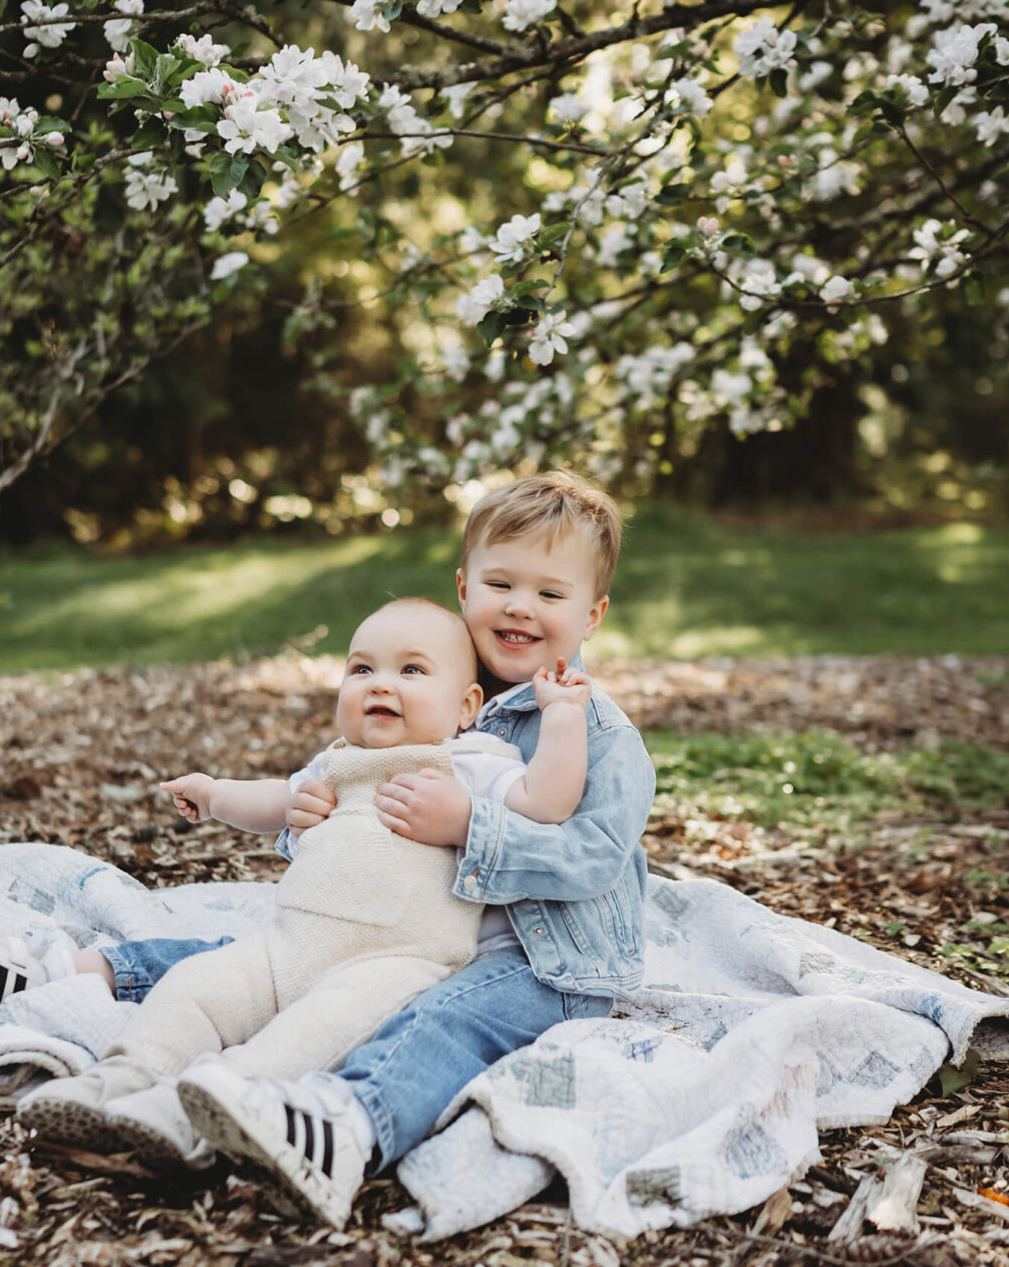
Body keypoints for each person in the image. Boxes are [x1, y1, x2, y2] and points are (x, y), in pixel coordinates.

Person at [0, 596, 593, 1169]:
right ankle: (114, 1081)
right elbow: (273, 800)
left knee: (295, 1042)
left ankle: (179, 1117)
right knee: (195, 989)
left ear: (467, 703)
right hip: (286, 945)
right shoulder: (336, 762)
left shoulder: (471, 761)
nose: (380, 683)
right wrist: (215, 795)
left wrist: (561, 715)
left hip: (392, 967)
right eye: (362, 669)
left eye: (412, 670)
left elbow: (547, 800)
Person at [174, 471, 653, 1227]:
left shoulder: (598, 731)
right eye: (500, 581)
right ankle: (112, 979)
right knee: (274, 957)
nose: (520, 605)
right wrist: (310, 813)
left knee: (440, 1020)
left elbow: (592, 855)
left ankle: (343, 1125)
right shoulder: (434, 678)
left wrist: (472, 825)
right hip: (412, 930)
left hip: (541, 959)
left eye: (550, 594)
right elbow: (359, 789)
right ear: (465, 587)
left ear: (591, 614)